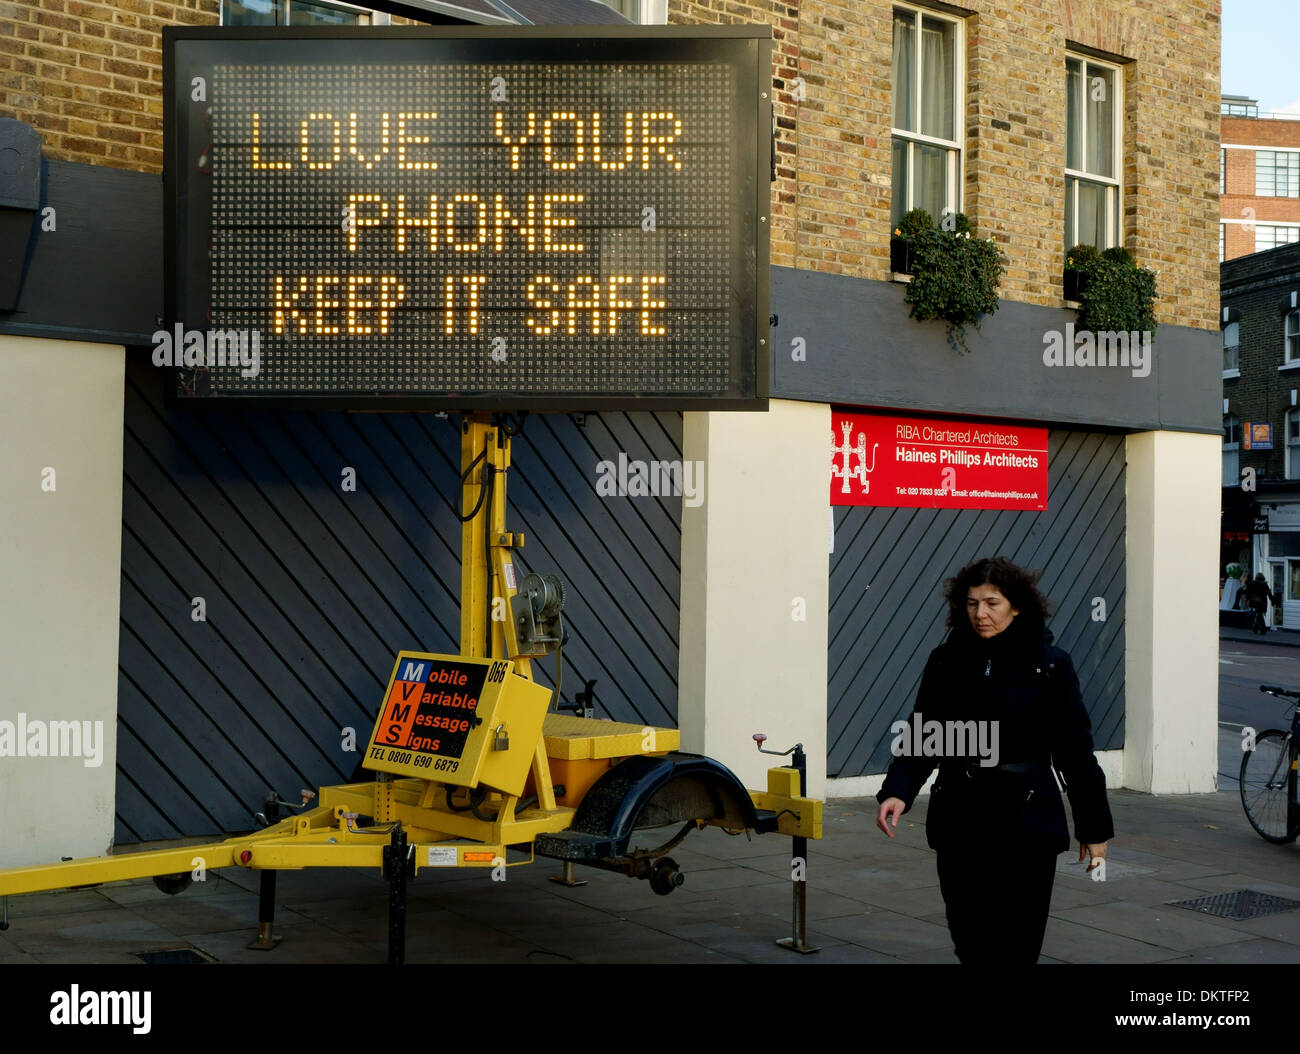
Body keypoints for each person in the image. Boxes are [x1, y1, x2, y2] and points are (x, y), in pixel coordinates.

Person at [875, 556, 1113, 964]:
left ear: (1017, 606)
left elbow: (1075, 751)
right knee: (970, 940)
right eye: (971, 603)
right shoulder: (946, 660)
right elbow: (925, 733)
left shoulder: (1049, 665)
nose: (980, 614)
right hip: (960, 816)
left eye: (992, 603)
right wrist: (898, 790)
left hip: (1026, 820)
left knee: (1018, 944)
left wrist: (1093, 828)